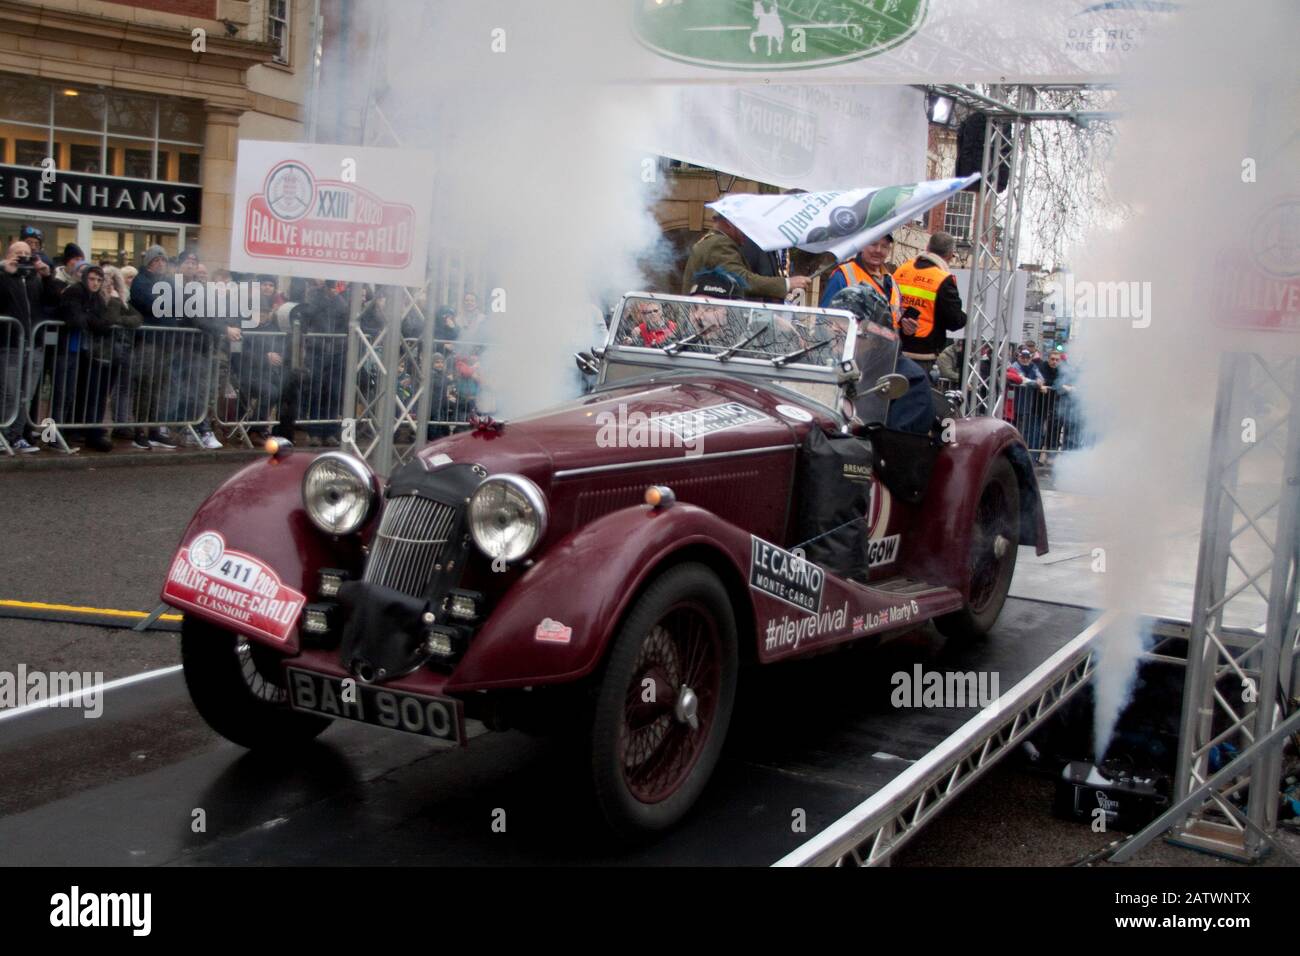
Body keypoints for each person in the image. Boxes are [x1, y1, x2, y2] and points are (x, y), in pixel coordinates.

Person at [58, 264, 143, 451]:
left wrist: (119, 319)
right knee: (89, 394)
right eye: (101, 279)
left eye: (112, 280)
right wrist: (114, 307)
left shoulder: (118, 299)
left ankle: (91, 430)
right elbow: (105, 321)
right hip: (95, 353)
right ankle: (86, 431)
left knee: (101, 395)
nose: (106, 284)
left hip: (111, 354)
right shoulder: (98, 299)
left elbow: (136, 319)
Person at [828, 284, 932, 435]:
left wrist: (858, 429)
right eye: (831, 321)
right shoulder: (828, 366)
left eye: (843, 323)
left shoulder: (908, 379)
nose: (833, 329)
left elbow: (899, 445)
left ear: (874, 336)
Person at [0, 240, 58, 452]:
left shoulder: (35, 278)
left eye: (27, 253)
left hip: (35, 343)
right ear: (9, 255)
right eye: (19, 253)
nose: (24, 256)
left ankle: (16, 436)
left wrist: (46, 274)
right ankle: (3, 434)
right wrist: (5, 271)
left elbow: (54, 300)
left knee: (27, 394)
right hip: (11, 343)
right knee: (9, 393)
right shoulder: (5, 276)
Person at [680, 212, 811, 302]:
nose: (749, 231)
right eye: (745, 225)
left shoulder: (713, 241)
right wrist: (788, 283)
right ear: (730, 223)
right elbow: (741, 280)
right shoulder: (719, 243)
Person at [892, 231, 967, 376]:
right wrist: (964, 316)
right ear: (950, 255)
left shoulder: (902, 269)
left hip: (894, 346)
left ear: (927, 247)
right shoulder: (943, 279)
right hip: (922, 353)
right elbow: (955, 321)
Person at [818, 233, 900, 325]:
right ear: (861, 245)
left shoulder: (890, 280)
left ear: (889, 250)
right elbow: (824, 319)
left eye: (884, 246)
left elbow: (895, 319)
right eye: (873, 244)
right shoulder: (843, 275)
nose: (878, 250)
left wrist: (905, 328)